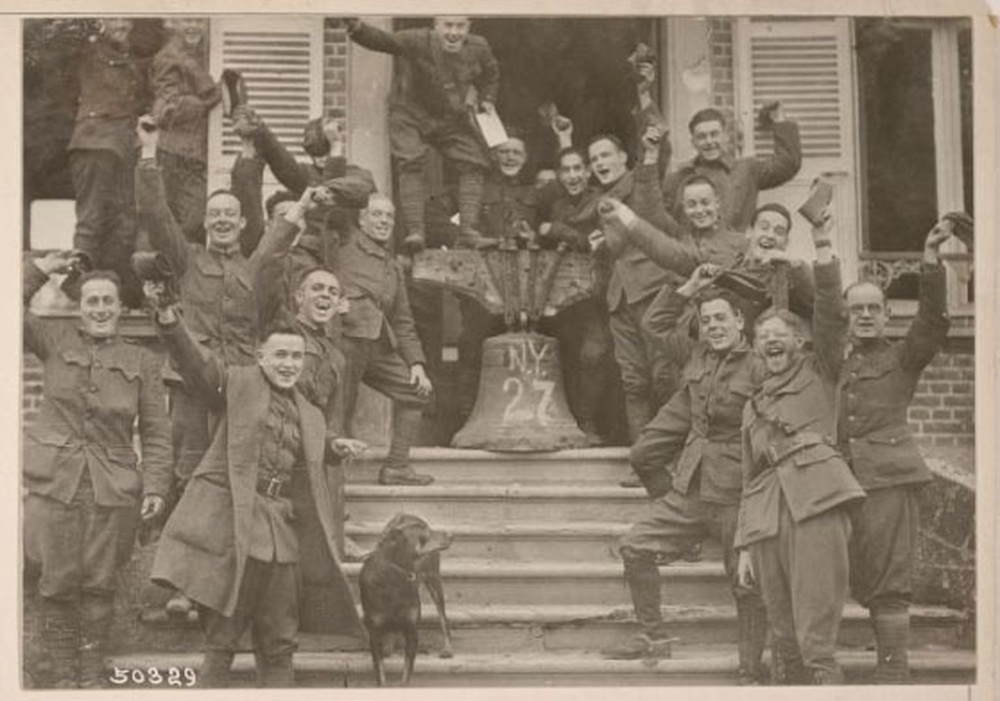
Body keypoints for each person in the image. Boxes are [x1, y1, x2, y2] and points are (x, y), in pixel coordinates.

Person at [148, 289, 367, 688]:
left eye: (296, 357)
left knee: (280, 642)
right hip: (235, 530)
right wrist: (168, 320)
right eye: (280, 355)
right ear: (260, 356)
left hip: (281, 535)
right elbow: (196, 365)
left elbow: (311, 446)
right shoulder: (235, 384)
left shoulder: (309, 411)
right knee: (223, 639)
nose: (288, 364)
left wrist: (335, 447)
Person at [600, 263, 767, 685]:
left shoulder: (760, 365)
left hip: (737, 493)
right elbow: (654, 324)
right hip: (690, 488)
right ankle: (654, 635)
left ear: (740, 321)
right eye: (706, 320)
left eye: (720, 319)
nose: (712, 327)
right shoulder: (696, 354)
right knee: (634, 545)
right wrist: (688, 288)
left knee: (746, 583)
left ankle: (750, 666)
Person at [23, 253, 172, 688]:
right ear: (80, 307)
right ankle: (63, 674)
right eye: (92, 301)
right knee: (56, 584)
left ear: (121, 308)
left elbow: (158, 433)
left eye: (108, 301)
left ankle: (90, 676)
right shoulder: (53, 340)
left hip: (113, 489)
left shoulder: (141, 360)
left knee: (99, 584)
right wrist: (42, 268)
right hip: (56, 484)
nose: (101, 308)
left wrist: (157, 487)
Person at [135, 121, 266, 614]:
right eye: (215, 215)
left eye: (230, 214)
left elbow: (254, 202)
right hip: (191, 386)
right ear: (206, 222)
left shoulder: (252, 266)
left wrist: (250, 154)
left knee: (233, 479)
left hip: (239, 389)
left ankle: (226, 585)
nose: (224, 221)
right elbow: (155, 213)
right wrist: (149, 152)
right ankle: (179, 585)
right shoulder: (185, 259)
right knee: (189, 476)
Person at [735, 210, 866, 685]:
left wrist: (822, 242)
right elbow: (749, 479)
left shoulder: (820, 368)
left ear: (799, 341)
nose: (770, 342)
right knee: (781, 626)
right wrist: (744, 544)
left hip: (817, 499)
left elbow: (831, 309)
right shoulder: (753, 406)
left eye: (780, 337)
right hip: (768, 514)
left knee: (816, 624)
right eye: (762, 339)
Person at [839, 221, 953, 683]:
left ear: (886, 315)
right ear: (847, 317)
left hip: (888, 479)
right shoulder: (835, 363)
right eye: (856, 310)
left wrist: (930, 262)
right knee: (848, 575)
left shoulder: (904, 356)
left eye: (873, 309)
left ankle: (893, 673)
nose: (865, 316)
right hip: (839, 481)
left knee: (889, 579)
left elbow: (931, 323)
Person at [253, 185, 367, 560]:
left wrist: (336, 443)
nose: (324, 296)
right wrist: (299, 211)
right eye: (315, 288)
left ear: (338, 305)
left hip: (315, 455)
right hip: (278, 454)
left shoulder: (336, 356)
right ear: (298, 297)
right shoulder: (282, 328)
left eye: (332, 293)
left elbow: (331, 417)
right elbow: (267, 264)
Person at [345, 16, 500, 251]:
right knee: (410, 161)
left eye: (460, 26)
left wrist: (488, 99)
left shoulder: (479, 47)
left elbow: (491, 75)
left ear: (469, 28)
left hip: (448, 116)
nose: (454, 32)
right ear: (436, 26)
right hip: (409, 113)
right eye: (448, 25)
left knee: (474, 161)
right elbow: (384, 41)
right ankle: (416, 231)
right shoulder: (417, 39)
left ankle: (468, 230)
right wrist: (357, 28)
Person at [588, 126, 679, 442]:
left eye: (605, 155)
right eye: (594, 159)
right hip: (620, 298)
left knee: (664, 376)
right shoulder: (604, 198)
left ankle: (671, 456)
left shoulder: (639, 183)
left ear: (624, 158)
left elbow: (651, 193)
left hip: (652, 290)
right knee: (633, 381)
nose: (599, 163)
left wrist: (650, 152)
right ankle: (642, 461)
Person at [338, 194, 435, 486]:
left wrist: (416, 363)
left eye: (389, 217)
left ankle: (396, 467)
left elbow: (403, 320)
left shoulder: (392, 267)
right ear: (361, 219)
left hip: (378, 346)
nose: (383, 221)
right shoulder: (342, 243)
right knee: (339, 411)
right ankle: (333, 487)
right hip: (345, 341)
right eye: (376, 215)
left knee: (416, 393)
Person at [67, 18, 152, 306]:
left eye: (127, 21)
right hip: (95, 143)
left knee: (124, 221)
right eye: (115, 20)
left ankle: (117, 295)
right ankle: (80, 291)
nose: (123, 25)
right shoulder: (88, 50)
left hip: (121, 147)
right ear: (101, 21)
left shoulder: (127, 59)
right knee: (91, 220)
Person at [661, 104, 801, 232]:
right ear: (693, 142)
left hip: (735, 254)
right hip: (692, 255)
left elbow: (787, 164)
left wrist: (779, 120)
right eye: (702, 137)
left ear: (725, 137)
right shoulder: (680, 177)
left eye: (714, 134)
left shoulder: (747, 170)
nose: (709, 142)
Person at [150, 17, 221, 243]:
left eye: (199, 20)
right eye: (187, 20)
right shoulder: (169, 57)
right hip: (174, 153)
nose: (194, 26)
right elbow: (169, 110)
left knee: (195, 225)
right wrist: (212, 98)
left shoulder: (211, 53)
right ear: (174, 23)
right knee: (177, 224)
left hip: (198, 155)